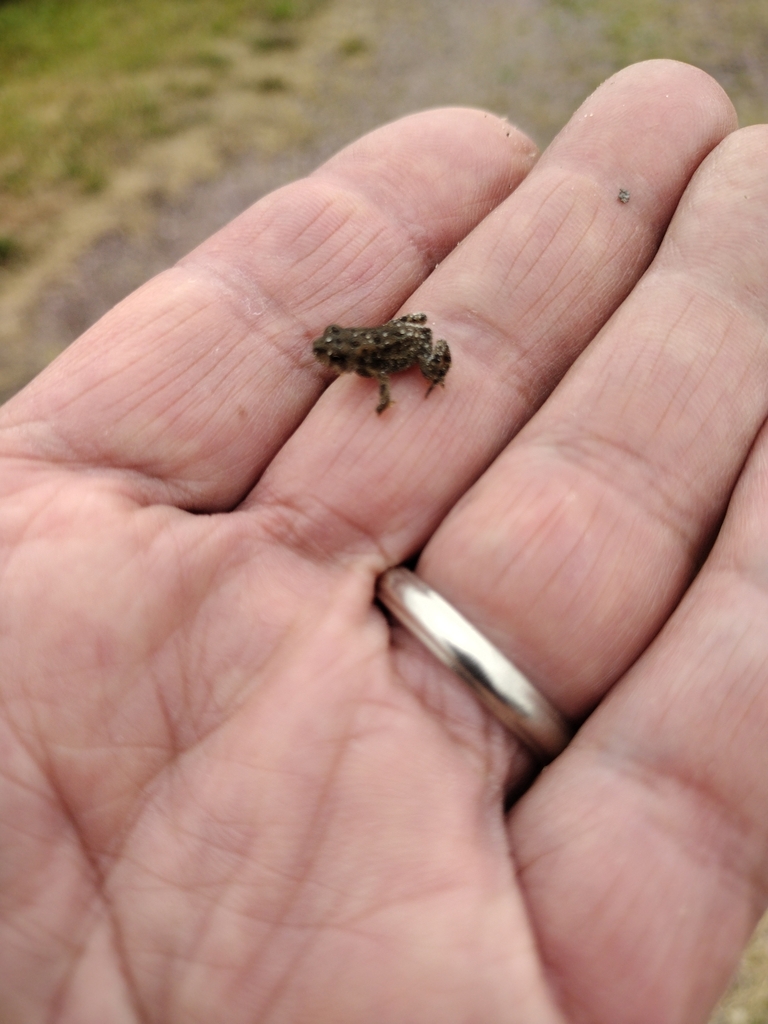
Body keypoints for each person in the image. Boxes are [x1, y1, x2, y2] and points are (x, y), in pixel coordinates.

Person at [0, 58, 765, 1023]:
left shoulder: (369, 366)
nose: (329, 360)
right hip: (398, 336)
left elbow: (381, 375)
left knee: (421, 344)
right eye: (333, 354)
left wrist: (406, 382)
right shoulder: (355, 356)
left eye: (332, 354)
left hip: (409, 341)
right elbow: (364, 354)